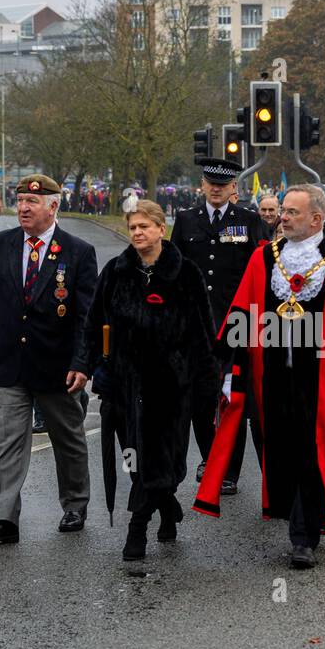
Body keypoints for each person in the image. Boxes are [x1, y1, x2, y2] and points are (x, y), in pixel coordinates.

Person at [194, 183, 325, 569]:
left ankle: (305, 534)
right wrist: (227, 367)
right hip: (272, 374)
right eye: (283, 211)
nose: (283, 218)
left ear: (316, 218)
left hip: (322, 376)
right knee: (279, 447)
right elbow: (241, 313)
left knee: (313, 450)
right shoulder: (265, 258)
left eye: (291, 212)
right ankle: (298, 513)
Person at [0, 175, 98, 543]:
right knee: (8, 441)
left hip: (58, 367)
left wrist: (83, 363)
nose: (23, 207)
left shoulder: (78, 252)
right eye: (20, 200)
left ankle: (74, 503)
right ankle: (4, 518)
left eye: (31, 202)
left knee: (67, 438)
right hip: (7, 363)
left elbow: (87, 317)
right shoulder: (2, 243)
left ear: (52, 206)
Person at [83, 200, 218, 560]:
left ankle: (137, 527)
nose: (138, 233)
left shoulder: (185, 274)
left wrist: (208, 381)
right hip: (122, 384)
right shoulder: (115, 271)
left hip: (170, 386)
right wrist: (89, 365)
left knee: (165, 459)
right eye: (133, 228)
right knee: (134, 459)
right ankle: (167, 506)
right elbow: (93, 324)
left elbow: (204, 333)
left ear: (161, 229)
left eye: (145, 226)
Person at [170, 158, 269, 492]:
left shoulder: (249, 221)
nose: (216, 189)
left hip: (239, 322)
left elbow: (263, 272)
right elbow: (175, 272)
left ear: (233, 189)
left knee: (239, 399)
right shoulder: (185, 221)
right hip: (198, 324)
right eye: (210, 183)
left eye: (222, 184)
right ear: (202, 186)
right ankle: (214, 460)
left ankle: (230, 471)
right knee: (205, 398)